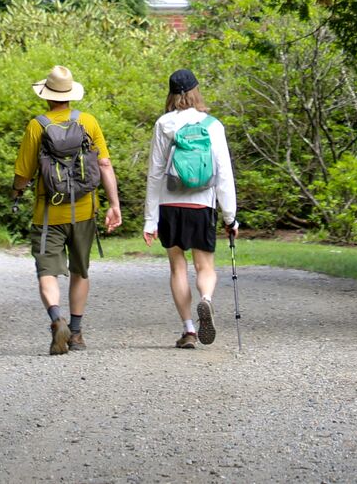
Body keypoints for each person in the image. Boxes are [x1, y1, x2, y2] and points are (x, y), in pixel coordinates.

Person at [12, 64, 123, 355]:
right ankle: (76, 333)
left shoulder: (37, 125)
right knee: (80, 271)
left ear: (47, 95)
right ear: (71, 95)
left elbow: (23, 173)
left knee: (46, 271)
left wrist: (15, 191)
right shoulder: (88, 121)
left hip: (48, 213)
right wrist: (114, 204)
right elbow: (105, 164)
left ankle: (55, 318)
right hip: (84, 210)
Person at [143, 67, 237, 349]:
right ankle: (205, 300)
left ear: (171, 94)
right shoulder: (212, 125)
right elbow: (224, 174)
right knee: (204, 266)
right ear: (196, 92)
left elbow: (155, 173)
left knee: (177, 267)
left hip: (170, 204)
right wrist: (230, 217)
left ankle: (188, 330)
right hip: (202, 205)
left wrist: (151, 220)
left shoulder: (164, 124)